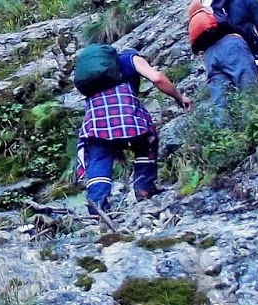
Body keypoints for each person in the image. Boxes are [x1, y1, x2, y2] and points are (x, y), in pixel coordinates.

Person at [77, 48, 191, 215]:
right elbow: (157, 78)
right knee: (147, 140)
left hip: (96, 118)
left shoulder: (94, 75)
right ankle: (144, 187)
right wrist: (179, 98)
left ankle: (97, 206)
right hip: (125, 112)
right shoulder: (130, 58)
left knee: (99, 157)